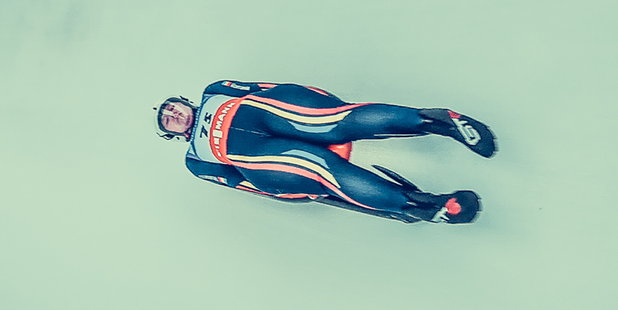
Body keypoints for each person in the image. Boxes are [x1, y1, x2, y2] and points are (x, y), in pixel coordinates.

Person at [155, 80, 496, 224]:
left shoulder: (215, 90)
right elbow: (239, 182)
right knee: (321, 172)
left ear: (184, 101)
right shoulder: (196, 161)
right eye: (168, 120)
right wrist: (296, 195)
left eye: (172, 106)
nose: (173, 114)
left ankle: (444, 123)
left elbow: (264, 88)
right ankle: (429, 206)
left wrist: (320, 97)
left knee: (333, 120)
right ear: (174, 134)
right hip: (257, 156)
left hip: (264, 112)